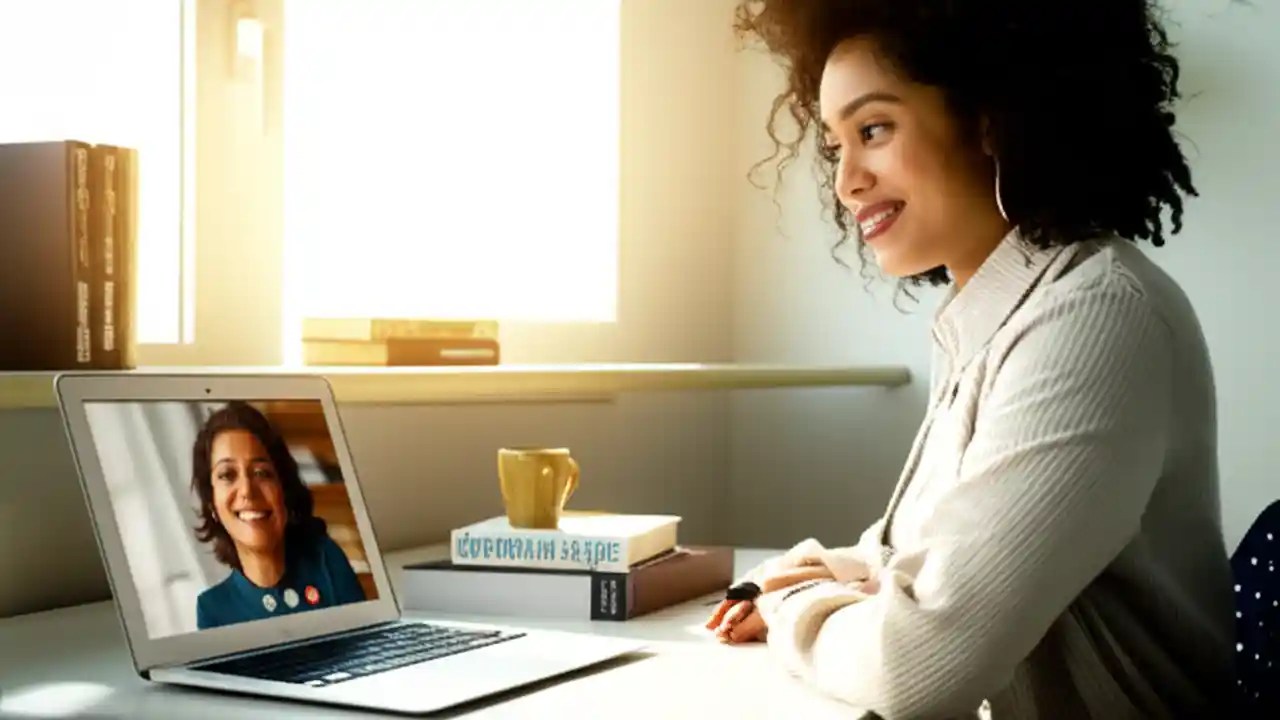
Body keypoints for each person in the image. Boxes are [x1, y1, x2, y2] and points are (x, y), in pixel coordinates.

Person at [707, 1, 1237, 717]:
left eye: (874, 130)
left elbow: (917, 668)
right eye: (836, 146)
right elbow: (925, 551)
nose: (846, 181)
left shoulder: (1095, 315)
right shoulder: (996, 311)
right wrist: (813, 572)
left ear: (992, 117)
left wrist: (793, 608)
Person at [191, 401, 367, 630]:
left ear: (283, 489)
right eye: (227, 475)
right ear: (212, 505)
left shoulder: (326, 559)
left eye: (261, 473)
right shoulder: (212, 610)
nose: (247, 490)